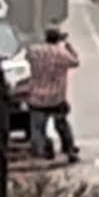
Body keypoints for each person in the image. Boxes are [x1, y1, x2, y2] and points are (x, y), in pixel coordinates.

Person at [25, 28, 80, 162]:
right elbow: (75, 62)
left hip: (36, 98)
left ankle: (44, 148)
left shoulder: (36, 51)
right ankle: (69, 148)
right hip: (57, 98)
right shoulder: (61, 53)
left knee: (38, 128)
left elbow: (27, 56)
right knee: (62, 124)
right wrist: (69, 47)